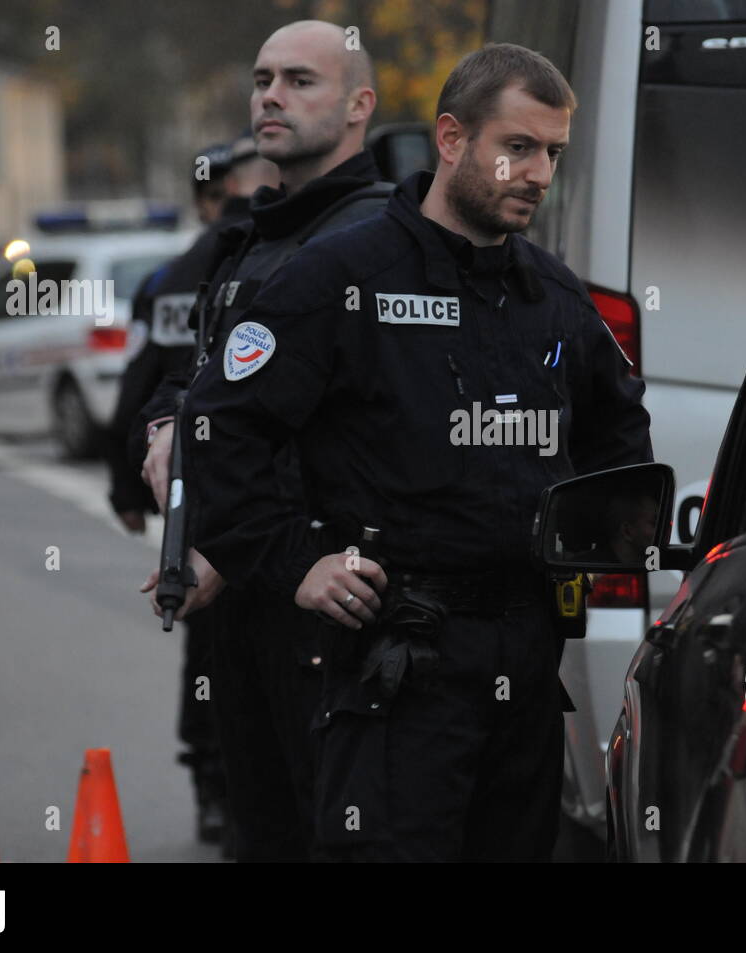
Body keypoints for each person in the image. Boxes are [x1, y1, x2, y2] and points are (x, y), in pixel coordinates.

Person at [177, 43, 653, 861]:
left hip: (527, 673)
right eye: (518, 146)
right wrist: (298, 564)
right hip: (395, 677)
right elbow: (220, 431)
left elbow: (620, 442)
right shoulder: (341, 277)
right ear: (451, 138)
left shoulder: (555, 297)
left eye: (552, 153)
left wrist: (602, 546)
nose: (538, 173)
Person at [136, 20, 393, 862]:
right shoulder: (255, 239)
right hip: (247, 608)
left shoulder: (382, 241)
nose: (270, 96)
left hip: (340, 617)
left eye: (299, 81)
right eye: (261, 79)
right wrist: (171, 419)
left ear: (360, 106)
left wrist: (288, 552)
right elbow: (214, 377)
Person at [104, 137, 278, 851]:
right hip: (262, 489)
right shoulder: (269, 252)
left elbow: (138, 385)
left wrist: (125, 482)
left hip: (187, 487)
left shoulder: (171, 276)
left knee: (207, 643)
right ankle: (248, 797)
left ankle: (214, 784)